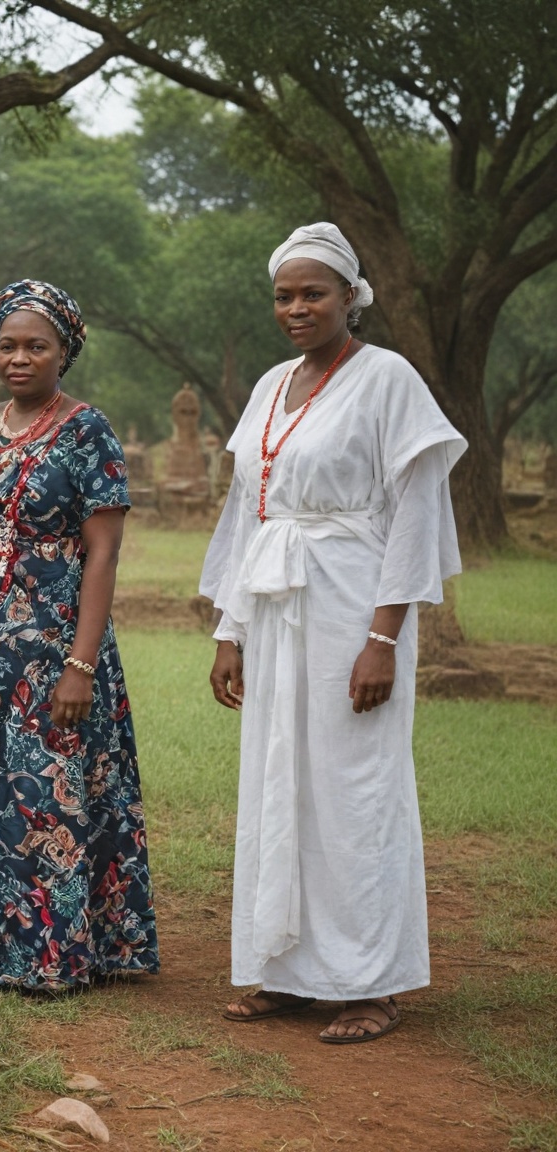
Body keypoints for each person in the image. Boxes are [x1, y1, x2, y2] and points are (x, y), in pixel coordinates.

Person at [201, 223, 464, 1044]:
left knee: (356, 788)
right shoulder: (272, 384)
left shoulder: (388, 379)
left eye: (314, 292)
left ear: (352, 296)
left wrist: (384, 637)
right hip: (278, 611)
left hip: (354, 604)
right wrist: (230, 628)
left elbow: (416, 514)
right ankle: (288, 968)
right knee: (281, 780)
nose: (296, 307)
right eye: (284, 294)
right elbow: (251, 514)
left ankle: (368, 984)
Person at [0, 280, 158, 991]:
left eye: (37, 346)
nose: (19, 358)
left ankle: (50, 952)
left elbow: (104, 553)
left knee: (48, 794)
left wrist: (80, 665)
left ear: (66, 352)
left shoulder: (88, 430)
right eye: (7, 345)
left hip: (54, 644)